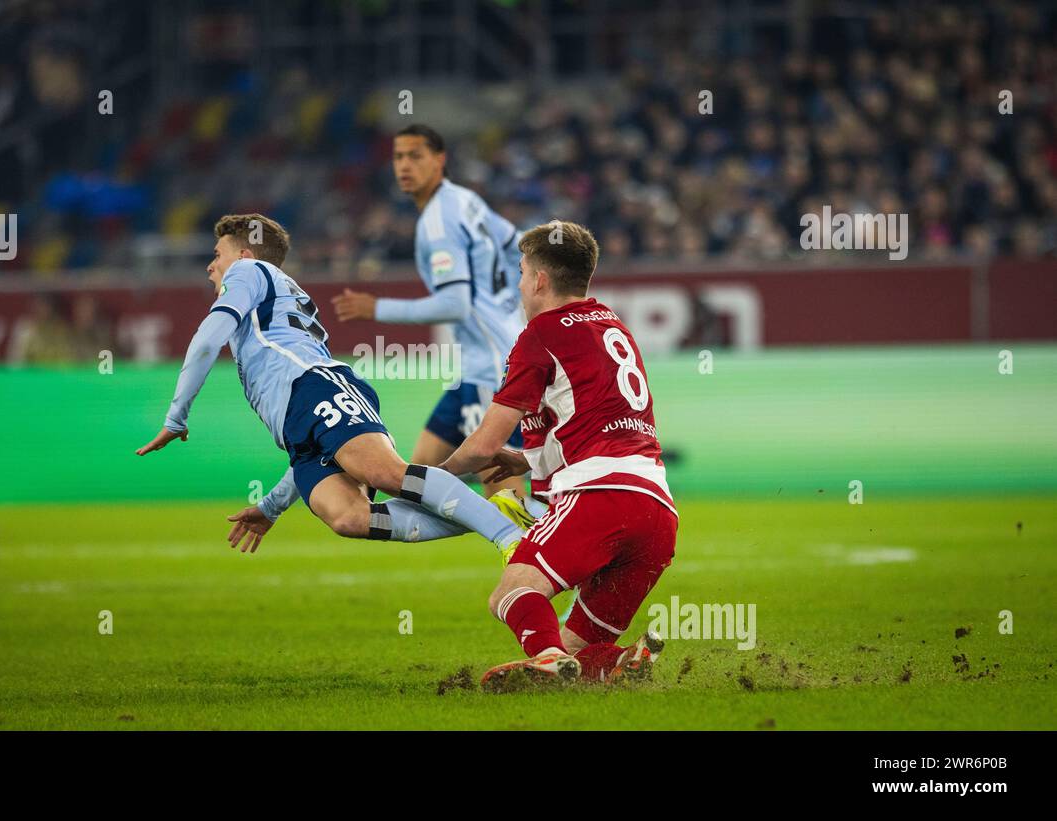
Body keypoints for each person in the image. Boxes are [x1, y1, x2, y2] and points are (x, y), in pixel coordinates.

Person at [135, 214, 525, 559]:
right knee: (347, 517)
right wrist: (270, 508)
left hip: (317, 385)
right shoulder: (269, 308)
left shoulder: (248, 272)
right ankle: (498, 510)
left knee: (387, 474)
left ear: (243, 256)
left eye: (217, 254)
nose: (209, 266)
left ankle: (509, 536)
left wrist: (176, 417)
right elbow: (306, 430)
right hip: (300, 414)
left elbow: (207, 339)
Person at [439, 220, 678, 688]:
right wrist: (527, 460)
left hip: (598, 497)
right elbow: (602, 423)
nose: (521, 285)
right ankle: (624, 660)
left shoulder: (540, 335)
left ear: (540, 280)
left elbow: (484, 444)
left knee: (511, 592)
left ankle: (546, 659)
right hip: (656, 511)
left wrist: (430, 479)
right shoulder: (613, 324)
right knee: (574, 652)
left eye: (523, 273)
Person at [332, 124, 533, 505]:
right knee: (422, 474)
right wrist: (511, 301)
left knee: (501, 490)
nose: (405, 166)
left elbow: (454, 304)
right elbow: (520, 245)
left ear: (439, 161)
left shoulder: (437, 223)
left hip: (491, 371)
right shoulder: (465, 200)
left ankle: (532, 559)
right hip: (479, 366)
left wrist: (376, 308)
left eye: (416, 156)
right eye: (398, 157)